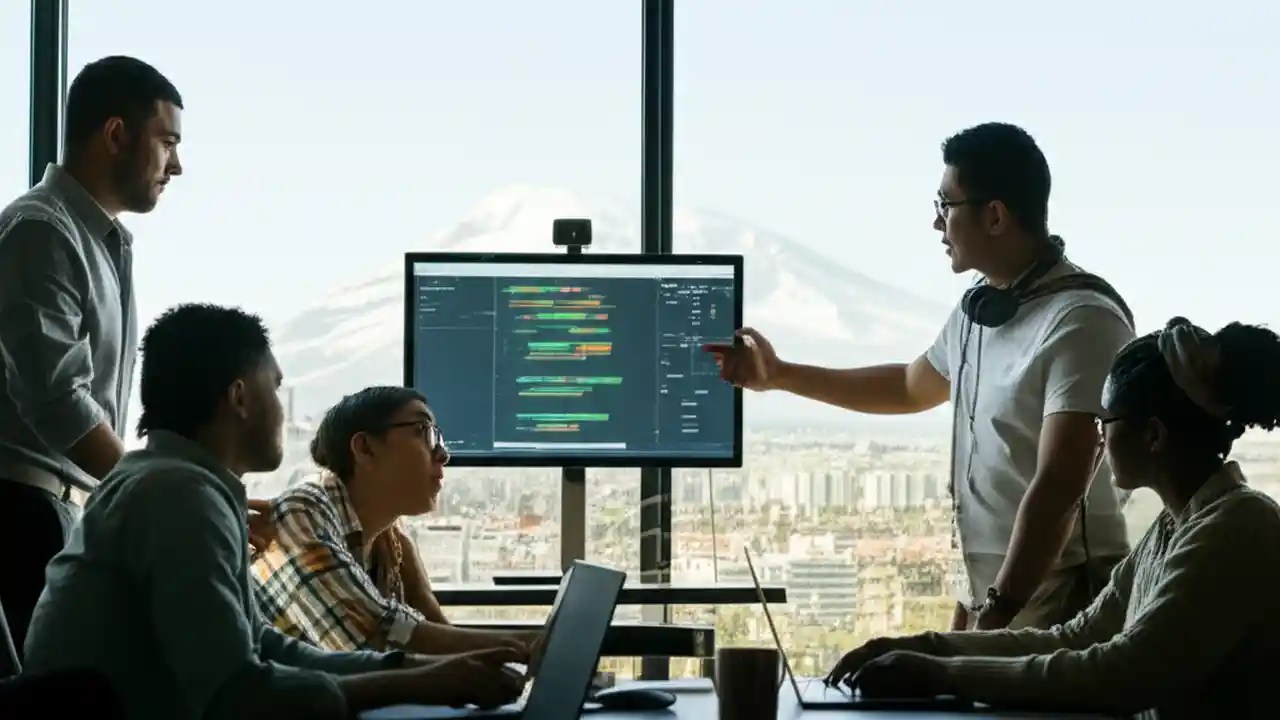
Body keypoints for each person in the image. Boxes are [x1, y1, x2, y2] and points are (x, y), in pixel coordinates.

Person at [707, 122, 1135, 631]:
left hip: (1061, 598)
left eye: (945, 206)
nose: (937, 225)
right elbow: (911, 387)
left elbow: (1059, 485)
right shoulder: (981, 309)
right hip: (996, 595)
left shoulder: (1081, 320)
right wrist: (778, 375)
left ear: (994, 215)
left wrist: (997, 612)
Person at [22, 304, 529, 719]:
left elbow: (264, 647)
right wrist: (413, 683)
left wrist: (415, 672)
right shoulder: (178, 498)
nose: (284, 410)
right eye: (276, 386)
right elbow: (237, 694)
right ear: (240, 398)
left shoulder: (170, 483)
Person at [825, 317, 1280, 718]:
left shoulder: (1237, 529)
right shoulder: (1174, 528)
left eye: (1105, 421)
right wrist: (925, 646)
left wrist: (943, 674)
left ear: (1154, 435)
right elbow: (1076, 637)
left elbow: (1122, 670)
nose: (1097, 437)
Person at [0, 55, 183, 655]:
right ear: (115, 135)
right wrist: (155, 490)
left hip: (61, 508)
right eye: (167, 142)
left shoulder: (99, 241)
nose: (176, 166)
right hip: (23, 513)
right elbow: (58, 400)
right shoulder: (41, 231)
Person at [253, 385, 541, 657]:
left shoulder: (388, 540)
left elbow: (435, 640)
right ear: (365, 448)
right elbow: (380, 635)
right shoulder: (302, 511)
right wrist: (535, 646)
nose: (442, 453)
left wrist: (420, 595)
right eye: (423, 432)